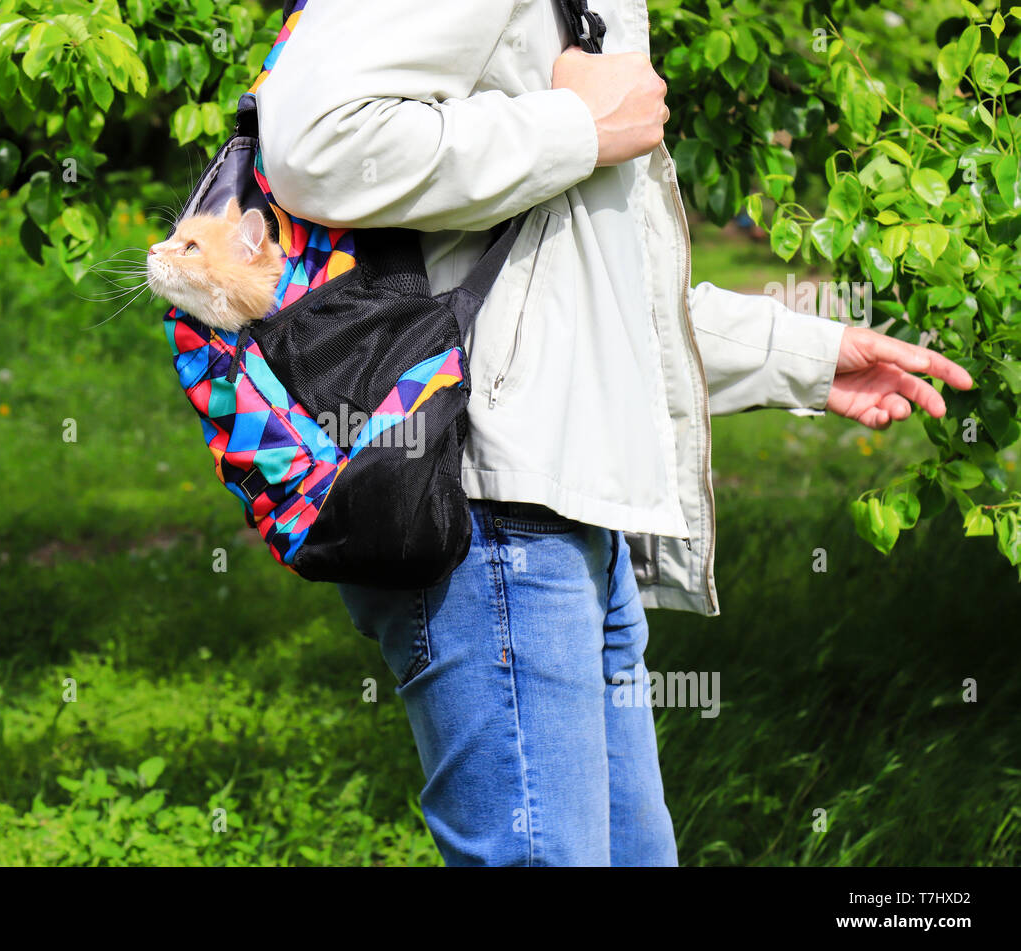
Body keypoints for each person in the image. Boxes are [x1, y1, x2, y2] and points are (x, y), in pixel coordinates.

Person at [254, 0, 973, 866]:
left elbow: (574, 295)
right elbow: (315, 143)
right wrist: (577, 125)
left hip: (566, 516)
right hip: (489, 509)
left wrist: (806, 354)